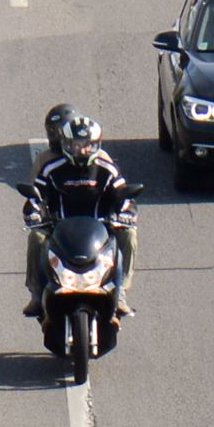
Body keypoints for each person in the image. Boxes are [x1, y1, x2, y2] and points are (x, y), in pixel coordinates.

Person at [24, 106, 136, 318]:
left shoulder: (107, 167)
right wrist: (34, 211)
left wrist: (126, 212)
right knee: (36, 237)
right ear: (67, 144)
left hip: (101, 228)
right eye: (77, 145)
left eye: (88, 145)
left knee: (129, 235)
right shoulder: (51, 167)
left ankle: (120, 291)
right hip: (59, 226)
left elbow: (124, 195)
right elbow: (36, 194)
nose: (82, 150)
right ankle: (37, 294)